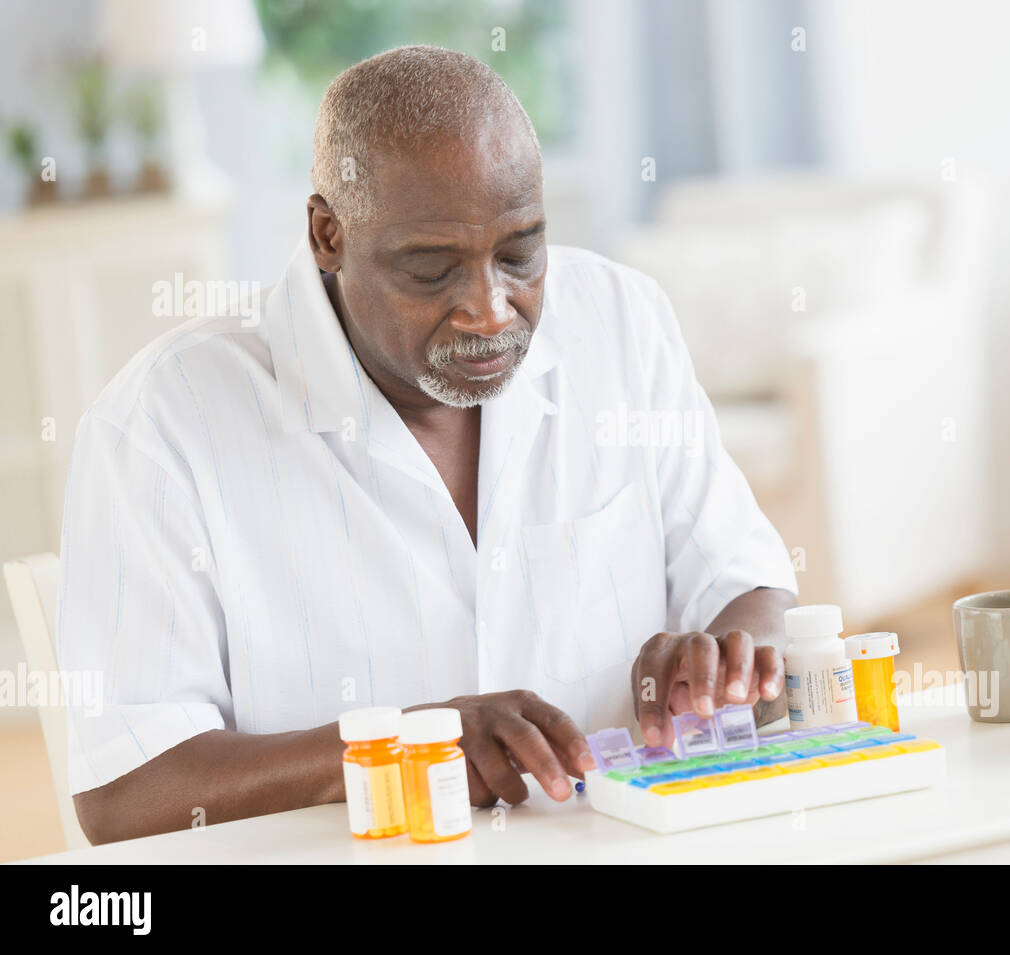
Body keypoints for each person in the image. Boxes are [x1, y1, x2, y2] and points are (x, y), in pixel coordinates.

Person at [59, 45, 796, 844]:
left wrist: (731, 657)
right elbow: (126, 791)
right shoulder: (163, 424)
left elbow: (748, 584)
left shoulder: (622, 322)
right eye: (432, 269)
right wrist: (405, 748)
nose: (490, 308)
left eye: (519, 253)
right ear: (328, 235)